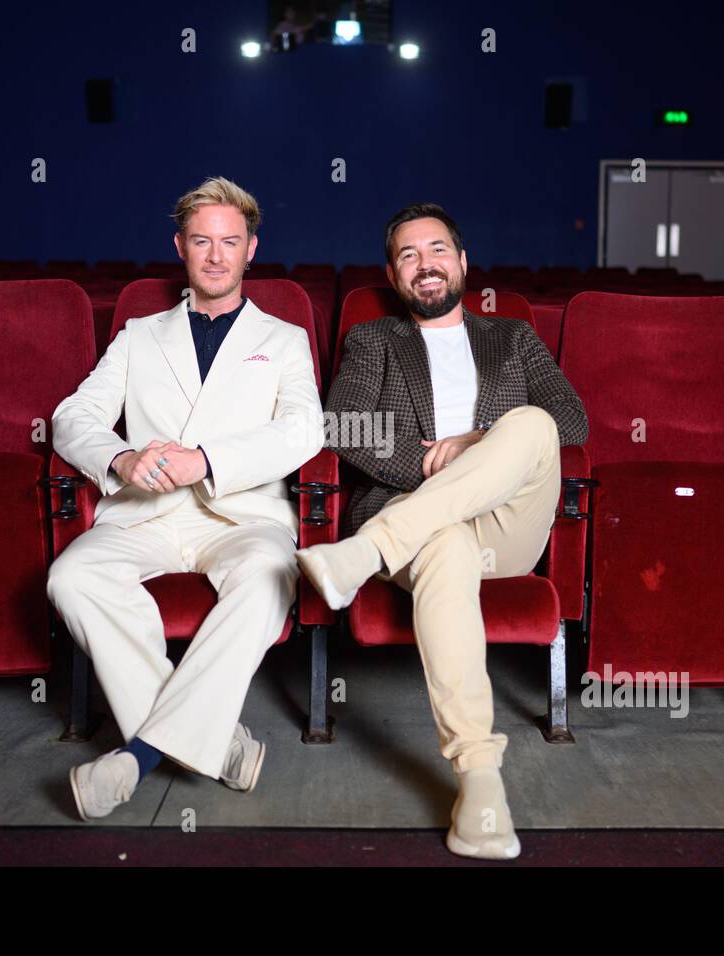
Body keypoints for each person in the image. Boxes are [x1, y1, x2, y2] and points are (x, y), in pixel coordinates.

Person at [296, 203, 588, 859]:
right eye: (407, 255)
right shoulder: (375, 341)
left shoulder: (514, 338)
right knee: (446, 540)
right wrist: (426, 467)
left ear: (461, 262)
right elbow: (343, 427)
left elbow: (571, 420)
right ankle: (480, 782)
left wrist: (477, 444)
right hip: (424, 522)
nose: (424, 264)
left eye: (435, 250)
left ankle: (365, 553)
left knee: (534, 426)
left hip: (505, 522)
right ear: (394, 276)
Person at [48, 176, 323, 820]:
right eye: (202, 241)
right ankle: (220, 741)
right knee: (73, 575)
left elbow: (305, 430)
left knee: (269, 575)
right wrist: (120, 457)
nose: (217, 255)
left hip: (241, 514)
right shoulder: (140, 334)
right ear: (180, 246)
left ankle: (137, 756)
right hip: (146, 511)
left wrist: (207, 461)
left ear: (252, 248)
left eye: (230, 241)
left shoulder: (282, 339)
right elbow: (72, 417)